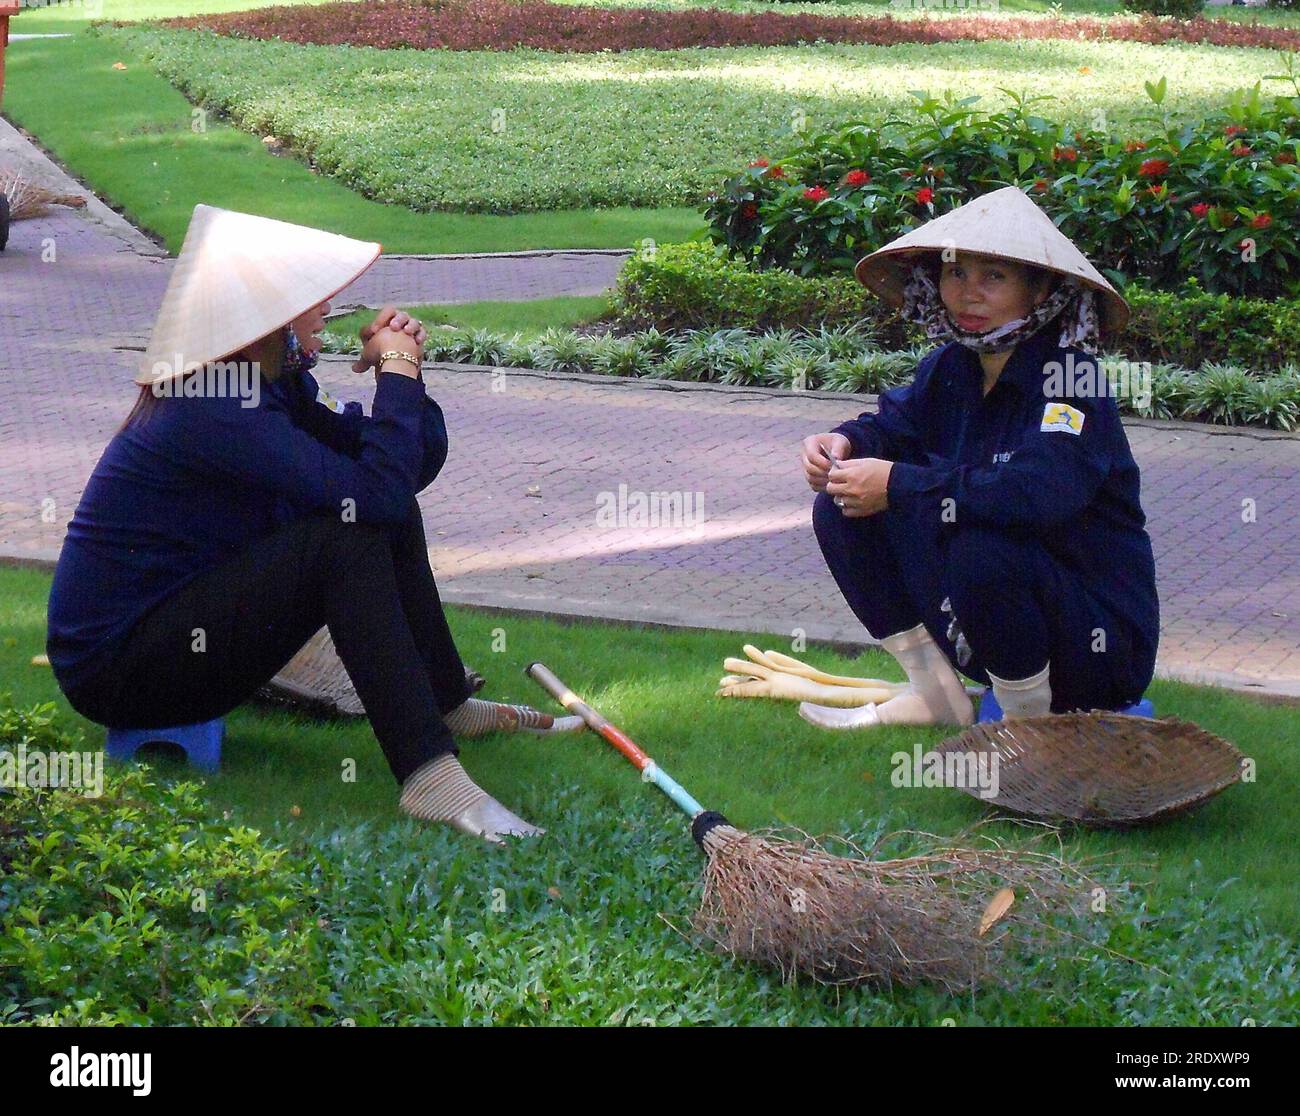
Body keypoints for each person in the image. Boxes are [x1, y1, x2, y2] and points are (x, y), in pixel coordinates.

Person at [46, 204, 576, 843]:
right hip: (121, 672)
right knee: (342, 538)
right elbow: (374, 493)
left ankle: (447, 705)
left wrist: (405, 376)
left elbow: (399, 474)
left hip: (175, 632)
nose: (328, 310)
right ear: (263, 317)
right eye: (311, 299)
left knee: (374, 517)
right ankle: (429, 776)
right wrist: (396, 375)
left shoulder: (270, 386)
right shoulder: (213, 405)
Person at [799, 186, 1159, 728]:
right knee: (840, 505)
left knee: (981, 541)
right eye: (955, 273)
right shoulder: (951, 367)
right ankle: (935, 693)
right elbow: (891, 429)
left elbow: (1036, 495)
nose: (969, 294)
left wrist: (897, 484)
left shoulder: (1071, 381)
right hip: (992, 634)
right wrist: (843, 443)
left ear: (1040, 290)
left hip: (1096, 647)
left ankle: (1026, 725)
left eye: (994, 276)